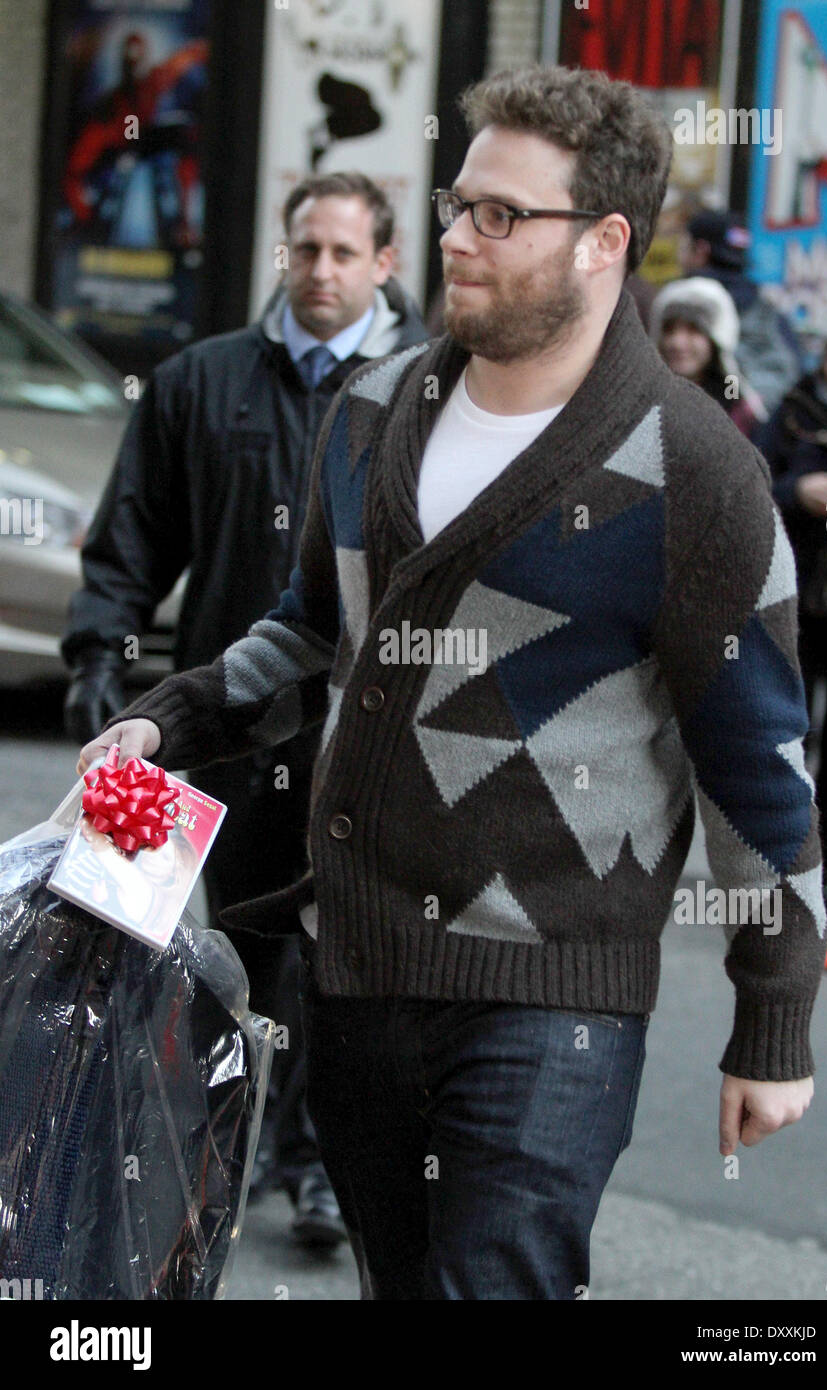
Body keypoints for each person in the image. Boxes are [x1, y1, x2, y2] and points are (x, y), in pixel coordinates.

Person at [79, 65, 825, 1301]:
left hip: (552, 999)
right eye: (453, 202)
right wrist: (168, 718)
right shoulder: (372, 411)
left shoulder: (696, 473)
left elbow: (758, 766)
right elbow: (313, 629)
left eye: (497, 215)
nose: (452, 237)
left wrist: (773, 1020)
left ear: (603, 242)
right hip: (361, 973)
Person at [62, 170, 428, 1248]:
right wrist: (101, 658)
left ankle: (317, 1164)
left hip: (367, 744)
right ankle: (219, 1153)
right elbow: (130, 541)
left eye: (343, 253)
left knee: (343, 963)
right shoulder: (199, 383)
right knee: (225, 959)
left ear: (385, 262)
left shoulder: (430, 394)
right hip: (232, 736)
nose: (319, 271)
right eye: (303, 250)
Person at [756, 297, 827, 931]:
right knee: (785, 743)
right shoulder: (795, 413)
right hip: (797, 606)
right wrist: (799, 493)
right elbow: (755, 483)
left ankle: (820, 890)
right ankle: (778, 881)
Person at [680, 208, 803, 413]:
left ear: (701, 250)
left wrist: (735, 406)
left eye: (684, 246)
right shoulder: (766, 308)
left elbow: (729, 376)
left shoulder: (684, 302)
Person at [650, 276, 766, 437]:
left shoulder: (732, 393)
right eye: (669, 330)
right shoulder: (647, 397)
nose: (677, 343)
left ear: (717, 339)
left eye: (693, 330)